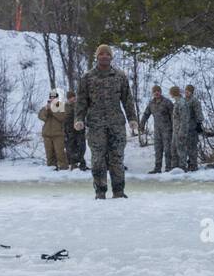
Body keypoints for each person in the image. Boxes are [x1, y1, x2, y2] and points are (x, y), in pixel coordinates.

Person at [74, 44, 138, 198]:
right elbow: (81, 101)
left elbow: (127, 99)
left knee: (117, 158)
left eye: (107, 54)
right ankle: (100, 191)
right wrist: (79, 119)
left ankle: (118, 191)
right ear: (97, 57)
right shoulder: (87, 77)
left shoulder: (120, 76)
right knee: (97, 160)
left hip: (116, 124)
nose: (104, 56)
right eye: (101, 54)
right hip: (96, 125)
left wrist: (132, 119)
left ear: (111, 57)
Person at [140, 85, 174, 173]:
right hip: (157, 130)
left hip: (167, 130)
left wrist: (174, 128)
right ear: (152, 93)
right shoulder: (151, 103)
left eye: (158, 91)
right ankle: (157, 168)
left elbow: (173, 116)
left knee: (167, 149)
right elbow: (146, 114)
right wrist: (142, 124)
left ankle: (168, 168)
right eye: (154, 91)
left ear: (160, 92)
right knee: (158, 149)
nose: (156, 93)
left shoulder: (167, 102)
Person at [37, 90, 69, 170]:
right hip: (47, 134)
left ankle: (63, 168)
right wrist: (46, 110)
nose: (52, 99)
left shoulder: (61, 106)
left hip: (58, 134)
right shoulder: (46, 107)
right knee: (49, 154)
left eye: (54, 97)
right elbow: (41, 117)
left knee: (60, 153)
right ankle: (51, 169)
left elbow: (62, 117)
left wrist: (53, 110)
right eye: (51, 97)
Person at [180, 84, 204, 170]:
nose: (186, 92)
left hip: (192, 127)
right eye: (186, 91)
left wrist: (199, 124)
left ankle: (193, 165)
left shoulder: (195, 101)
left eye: (188, 91)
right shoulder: (182, 100)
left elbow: (199, 113)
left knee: (192, 147)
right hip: (184, 128)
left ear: (191, 92)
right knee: (185, 146)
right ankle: (187, 164)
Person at [63, 89, 88, 170]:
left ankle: (81, 163)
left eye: (74, 97)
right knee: (71, 147)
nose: (73, 98)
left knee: (81, 147)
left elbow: (84, 115)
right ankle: (73, 164)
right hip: (69, 130)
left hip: (79, 130)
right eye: (71, 97)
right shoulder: (64, 106)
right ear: (68, 98)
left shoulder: (79, 105)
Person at [168, 85, 188, 171]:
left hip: (180, 130)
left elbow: (184, 119)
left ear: (173, 93)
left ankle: (182, 167)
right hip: (175, 130)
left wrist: (181, 131)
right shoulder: (177, 102)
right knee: (173, 149)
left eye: (171, 92)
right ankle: (174, 168)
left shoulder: (182, 103)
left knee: (181, 149)